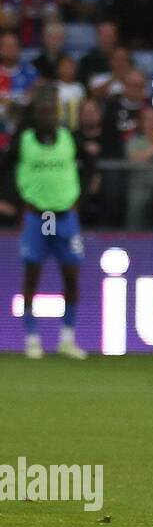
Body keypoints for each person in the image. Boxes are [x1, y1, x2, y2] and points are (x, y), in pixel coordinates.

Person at [4, 85, 88, 359]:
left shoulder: (69, 137)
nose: (48, 115)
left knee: (71, 275)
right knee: (32, 275)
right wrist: (14, 200)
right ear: (36, 114)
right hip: (36, 215)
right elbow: (5, 166)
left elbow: (89, 165)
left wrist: (79, 198)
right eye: (43, 111)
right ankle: (31, 339)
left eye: (51, 110)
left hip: (65, 216)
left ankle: (67, 338)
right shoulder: (24, 140)